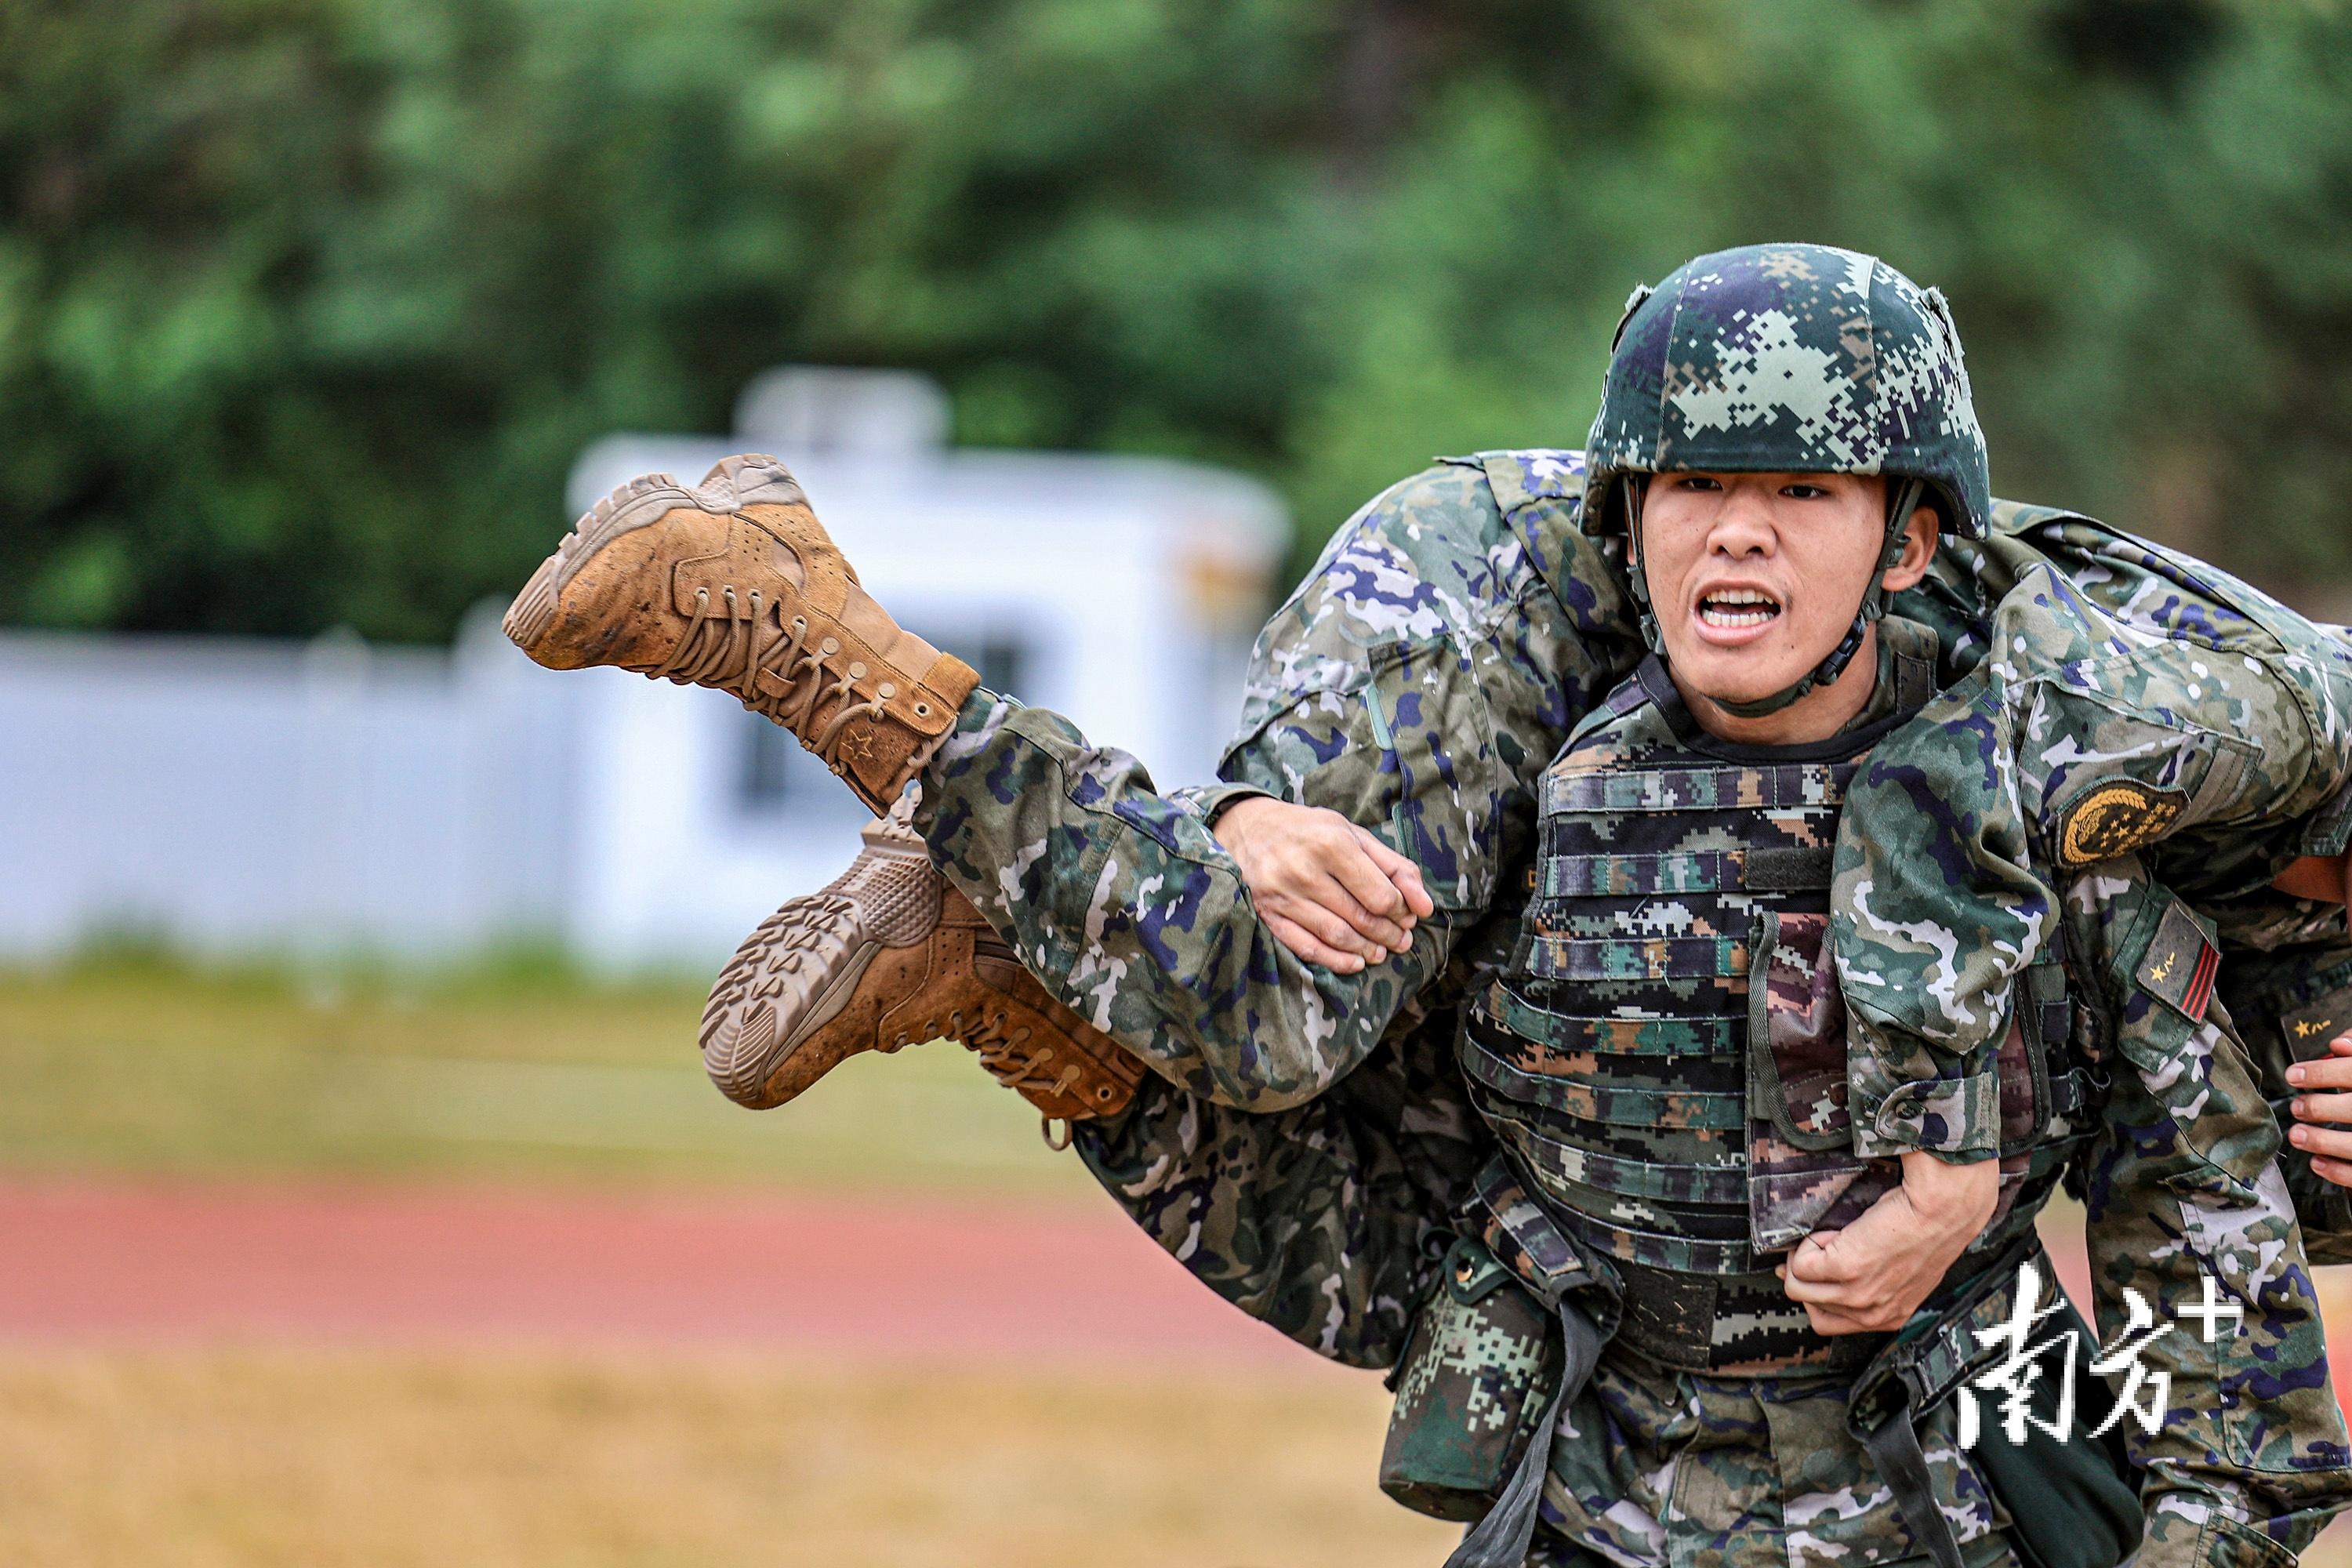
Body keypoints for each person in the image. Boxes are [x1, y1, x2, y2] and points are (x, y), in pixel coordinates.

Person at [505, 245, 2352, 1566]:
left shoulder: (2135, 743)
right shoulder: (1545, 676)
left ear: (1914, 533)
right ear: (1630, 511)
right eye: (1702, 487)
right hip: (1598, 1348)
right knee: (1283, 1006)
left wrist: (2003, 1174)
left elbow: (2230, 1340)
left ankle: (1003, 971)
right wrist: (1228, 817)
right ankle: (815, 640)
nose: (1741, 528)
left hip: (1932, 1459)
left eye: (1802, 492)